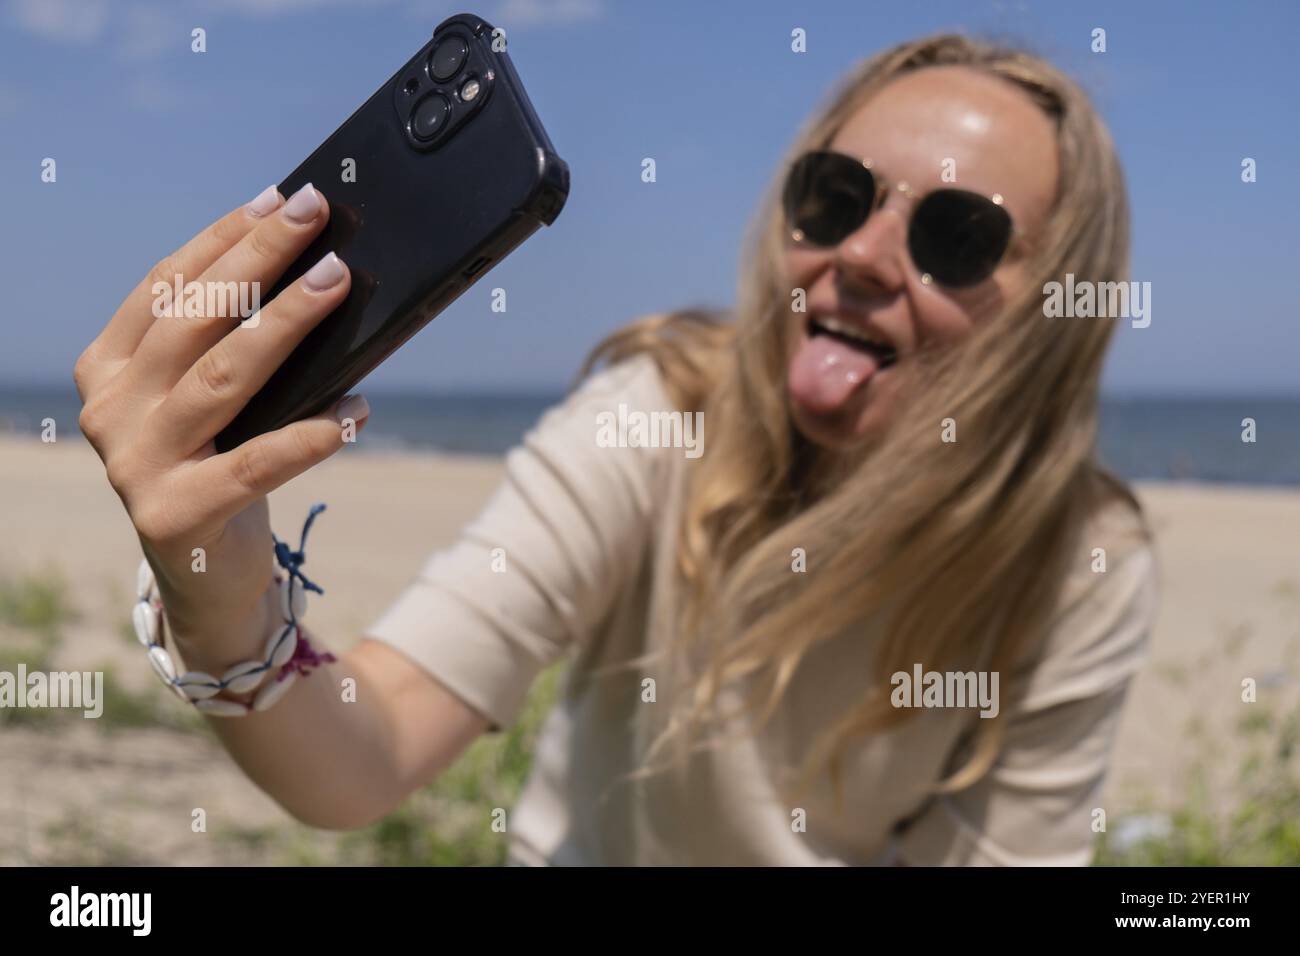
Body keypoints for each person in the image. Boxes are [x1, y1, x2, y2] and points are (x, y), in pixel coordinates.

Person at [74, 33, 1156, 865]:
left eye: (954, 234)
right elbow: (367, 751)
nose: (864, 255)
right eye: (834, 197)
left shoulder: (1079, 561)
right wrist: (218, 591)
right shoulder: (655, 420)